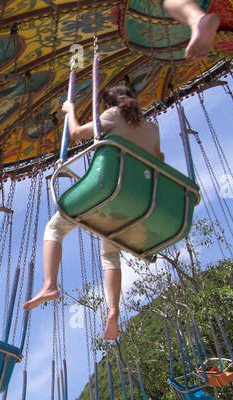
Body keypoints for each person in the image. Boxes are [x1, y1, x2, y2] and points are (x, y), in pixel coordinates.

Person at [23, 84, 162, 341]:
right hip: (135, 202)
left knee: (55, 228)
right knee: (110, 251)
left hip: (108, 191)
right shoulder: (153, 128)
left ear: (109, 104)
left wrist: (70, 109)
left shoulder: (111, 116)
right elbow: (158, 160)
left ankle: (49, 285)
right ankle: (113, 310)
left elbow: (76, 133)